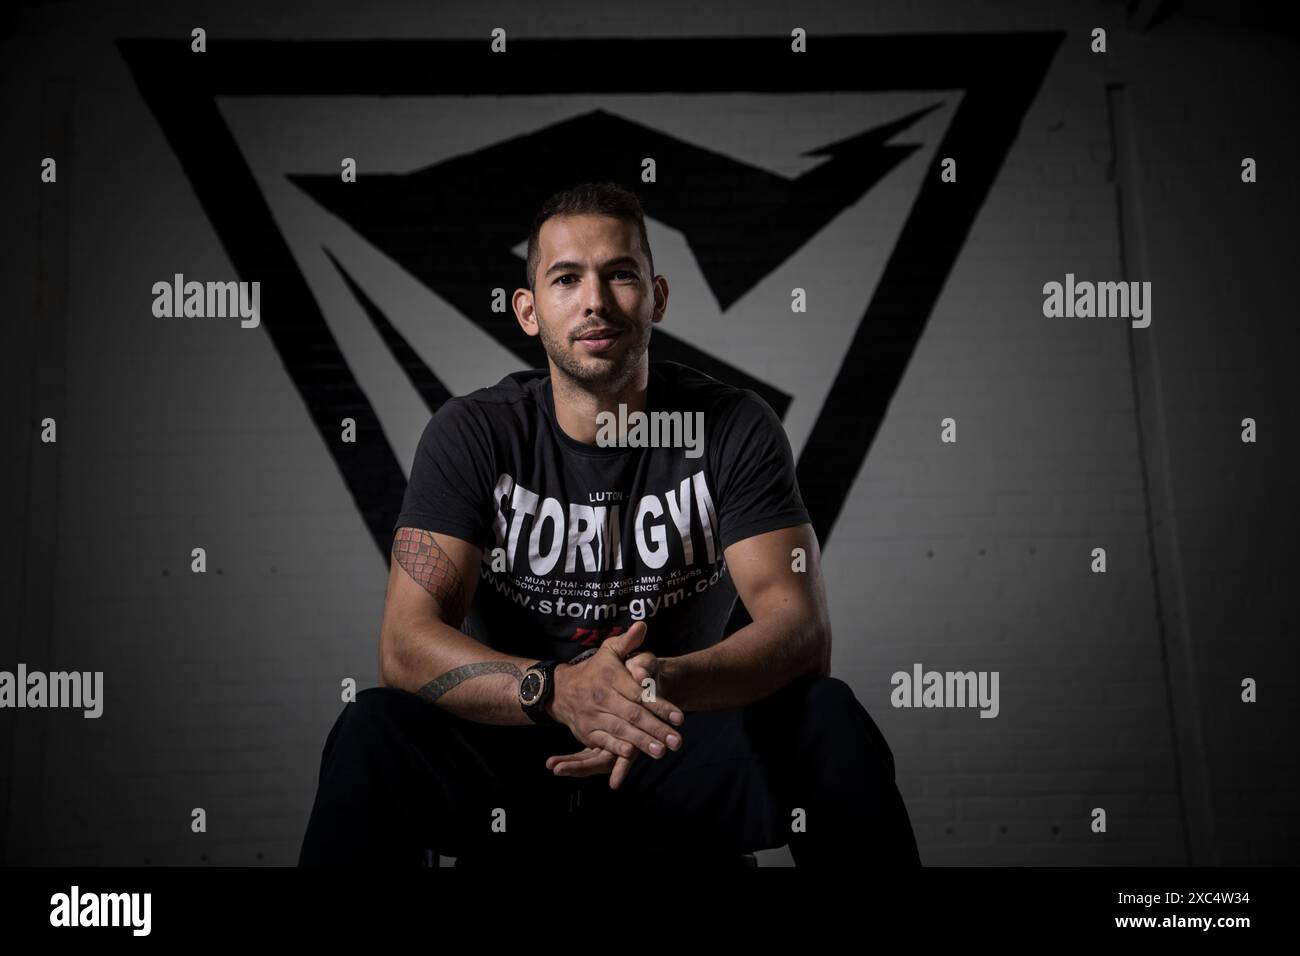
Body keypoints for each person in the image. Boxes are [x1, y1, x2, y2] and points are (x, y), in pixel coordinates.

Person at [298, 182, 921, 867]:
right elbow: (404, 646)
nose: (595, 299)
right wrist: (557, 690)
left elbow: (800, 632)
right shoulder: (472, 432)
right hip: (513, 759)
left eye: (619, 274)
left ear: (656, 296)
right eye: (567, 279)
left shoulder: (732, 426)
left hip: (671, 743)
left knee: (829, 720)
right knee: (370, 732)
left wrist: (659, 685)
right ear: (528, 312)